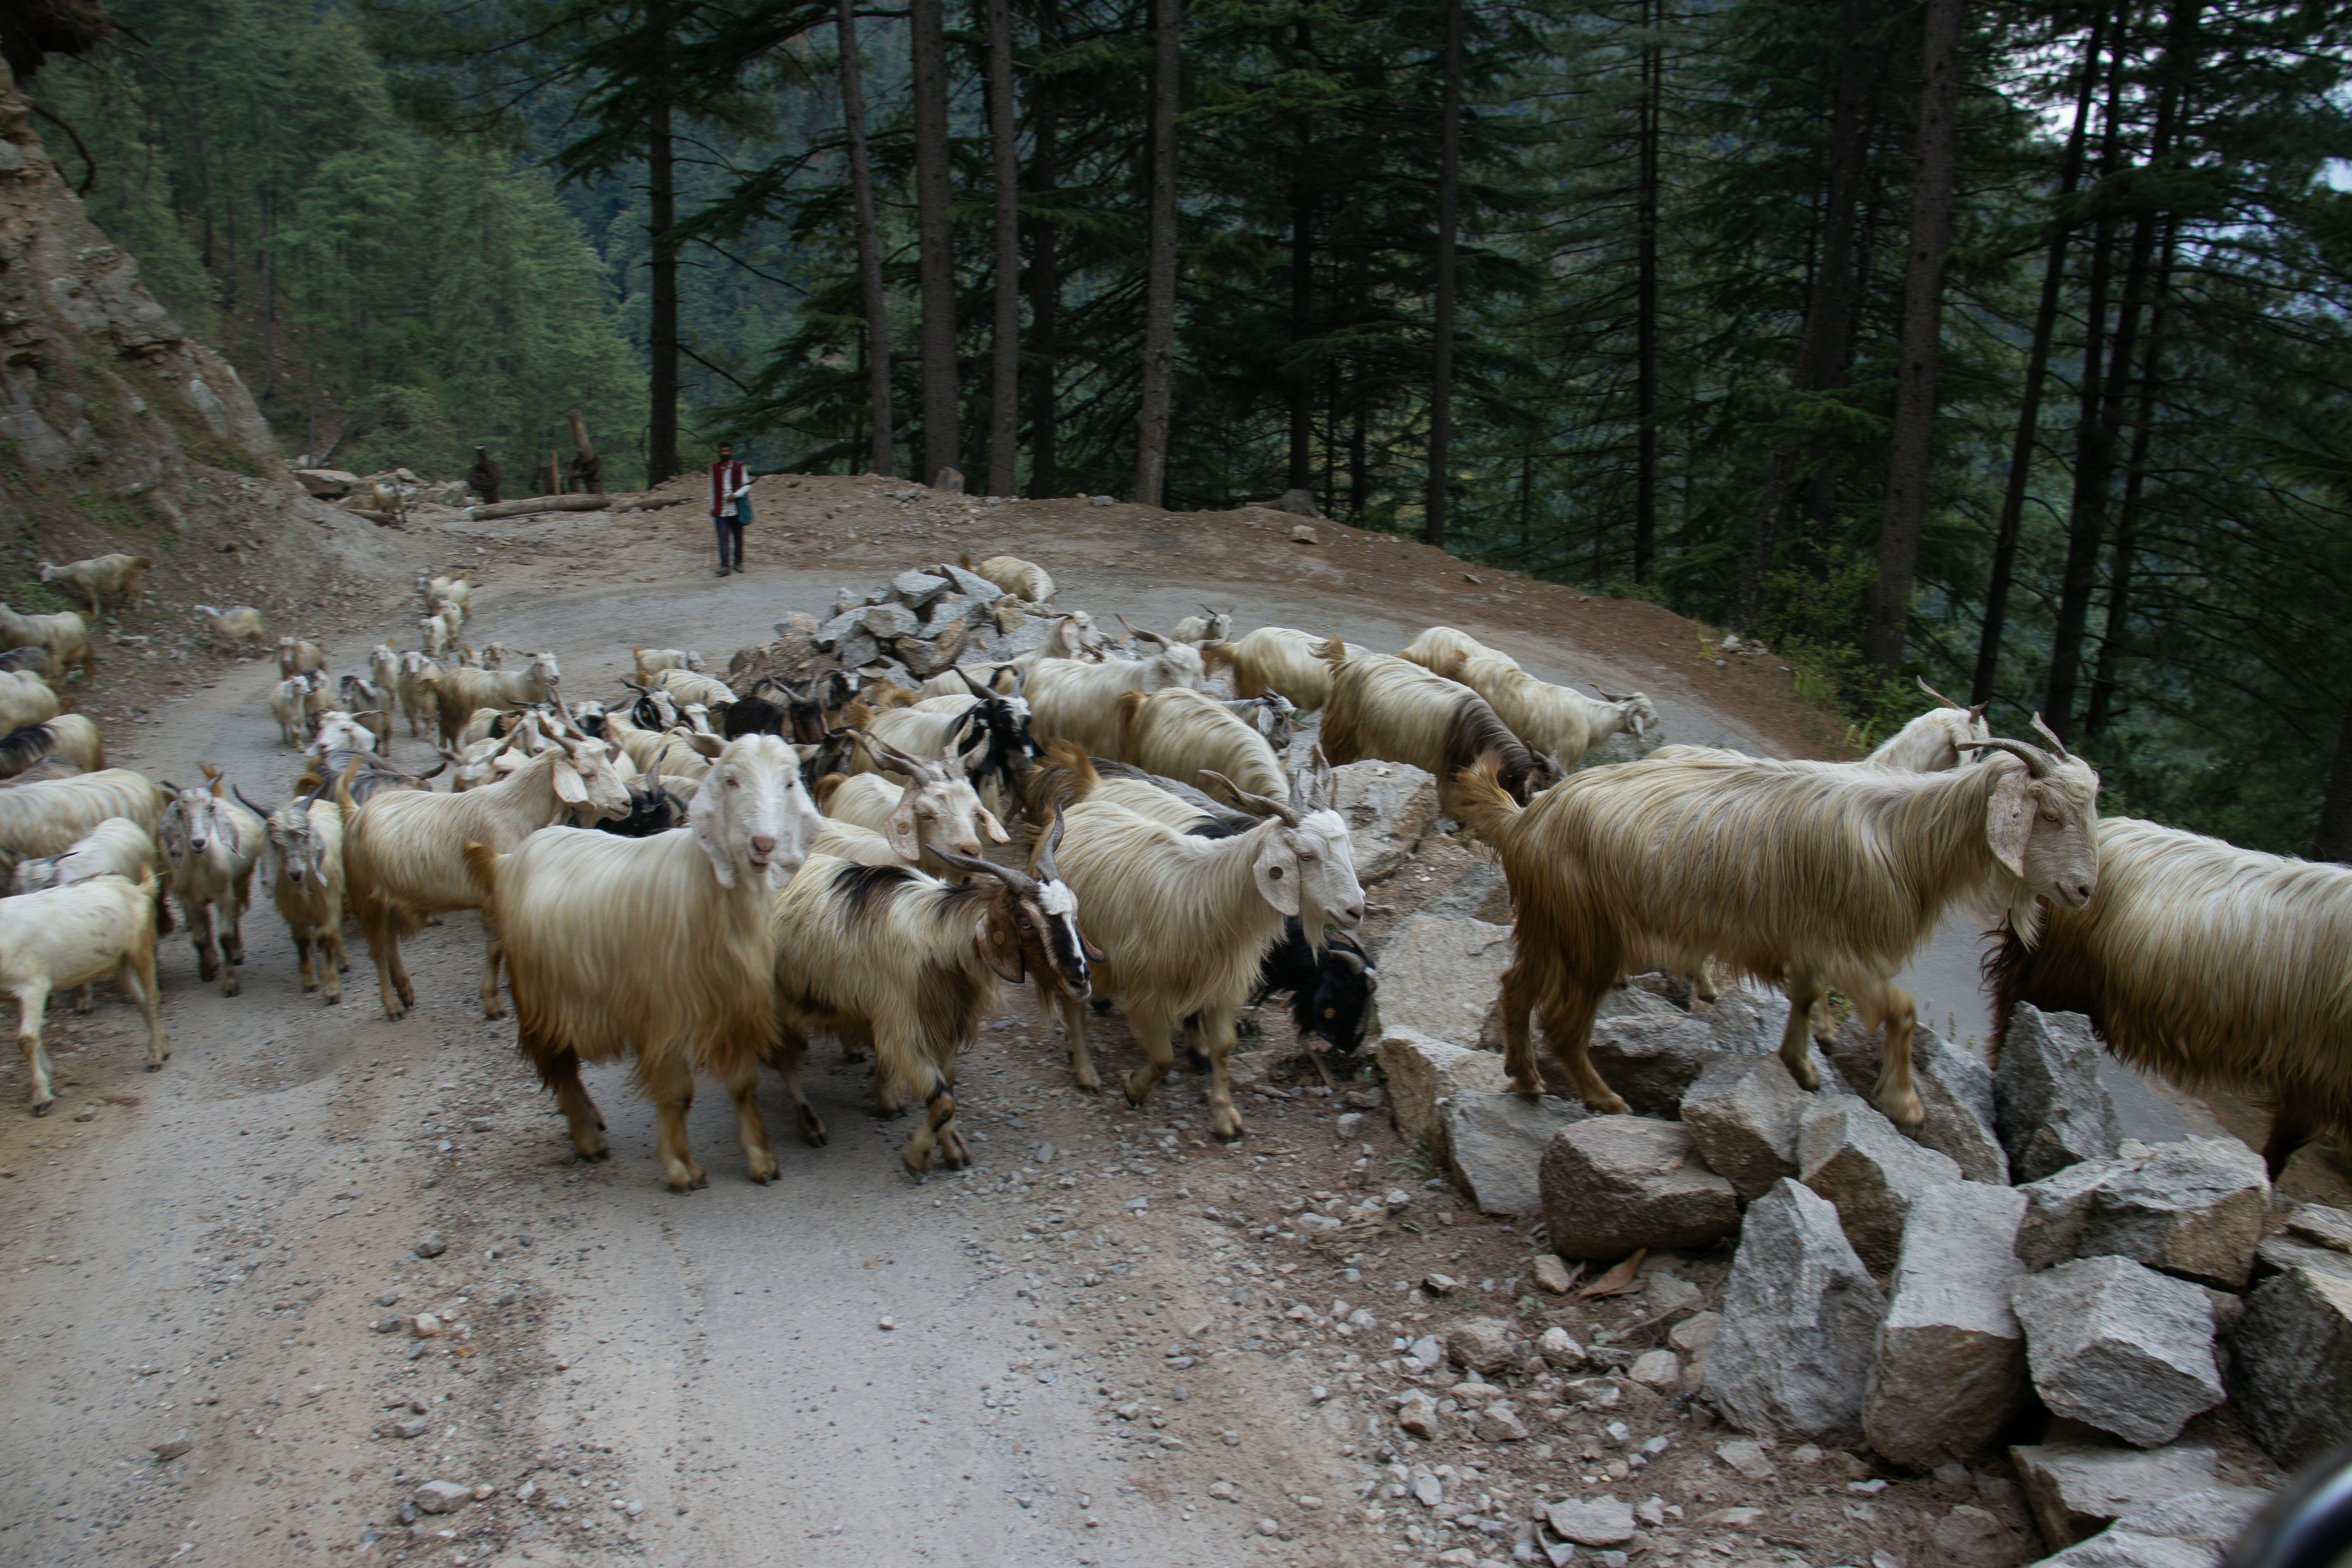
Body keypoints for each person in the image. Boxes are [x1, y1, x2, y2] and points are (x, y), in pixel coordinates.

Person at [708, 442, 751, 576]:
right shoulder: (714, 468)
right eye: (723, 451)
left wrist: (736, 495)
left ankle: (738, 563)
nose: (725, 453)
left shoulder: (739, 467)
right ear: (719, 453)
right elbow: (712, 489)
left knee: (738, 538)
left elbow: (747, 486)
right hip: (721, 510)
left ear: (731, 452)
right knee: (723, 538)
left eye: (727, 451)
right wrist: (713, 507)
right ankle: (725, 565)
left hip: (736, 509)